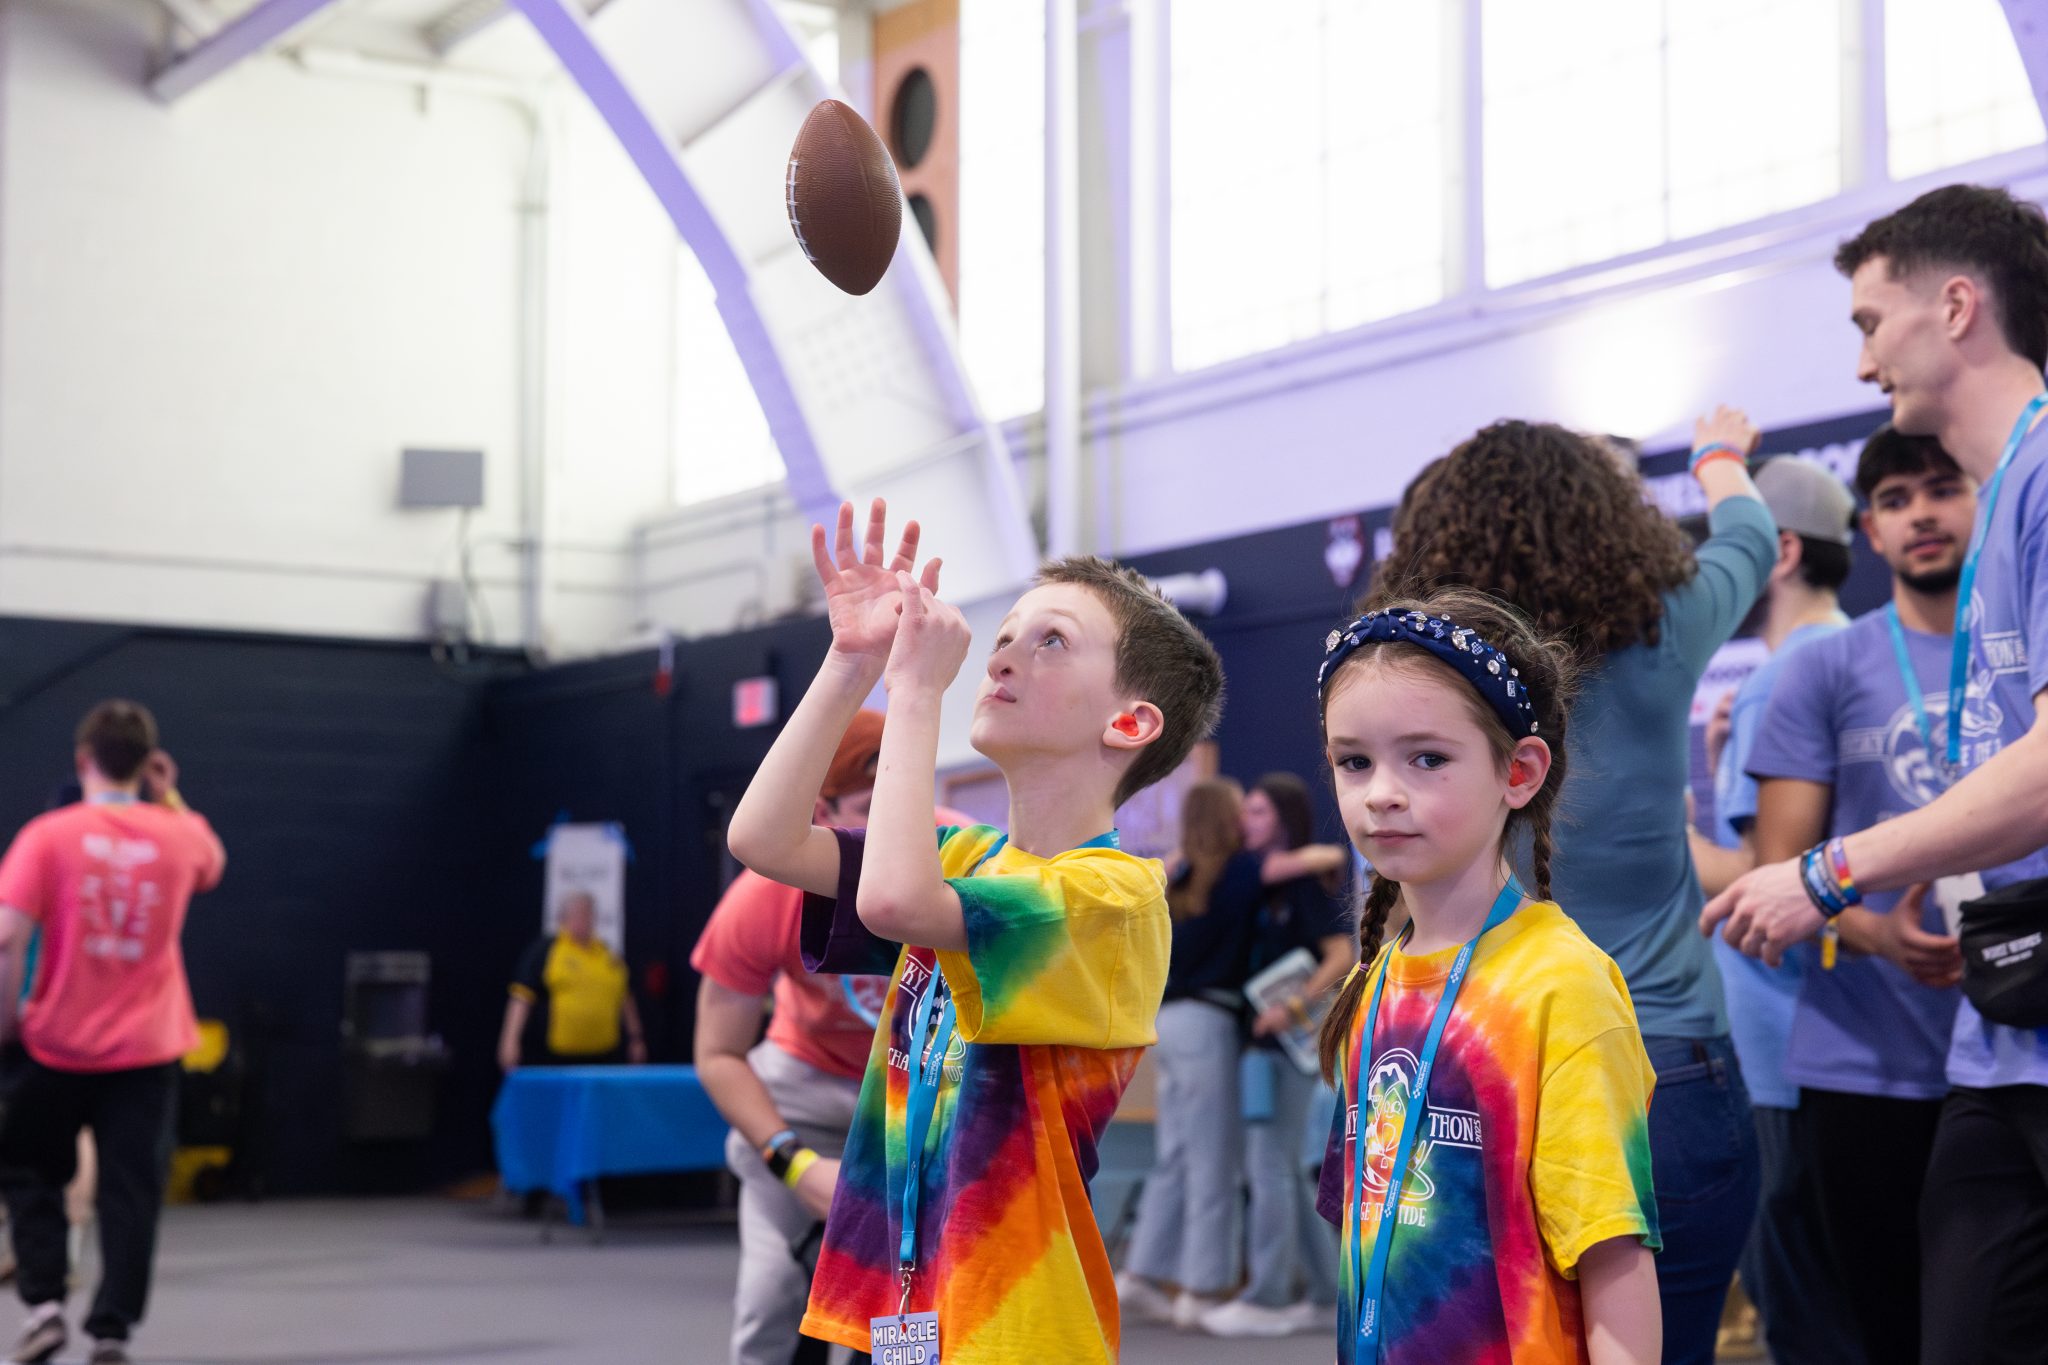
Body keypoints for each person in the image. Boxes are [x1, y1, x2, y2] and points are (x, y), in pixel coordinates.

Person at [726, 499, 1225, 1364]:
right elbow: (762, 839)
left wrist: (915, 690)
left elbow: (894, 903)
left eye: (1053, 639)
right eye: (1008, 630)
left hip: (1020, 1329)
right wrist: (853, 664)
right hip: (920, 1313)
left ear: (1131, 722)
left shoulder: (1113, 895)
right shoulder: (964, 854)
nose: (1004, 649)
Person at [1705, 183, 2048, 1364]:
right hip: (1993, 1034)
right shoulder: (2008, 493)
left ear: (1953, 307)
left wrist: (1830, 873)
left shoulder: (2044, 478)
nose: (1859, 362)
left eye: (1867, 322)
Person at [1375, 406, 1774, 1363]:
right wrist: (1720, 452)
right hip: (1664, 1062)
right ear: (1613, 518)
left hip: (1475, 1060)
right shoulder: (1668, 623)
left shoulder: (1424, 666)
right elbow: (1751, 535)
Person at [1313, 588, 1661, 1364]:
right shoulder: (1365, 991)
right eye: (1353, 761)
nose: (1382, 793)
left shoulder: (1561, 984)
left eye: (1427, 758)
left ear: (1519, 771)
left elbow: (1613, 1254)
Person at [1739, 426, 1972, 1365]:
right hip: (1862, 1056)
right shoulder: (1821, 667)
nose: (1920, 512)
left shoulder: (2023, 647)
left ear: (1984, 496)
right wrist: (1874, 931)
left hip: (2012, 1042)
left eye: (1940, 488)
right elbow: (1779, 864)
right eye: (1895, 497)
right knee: (1883, 1326)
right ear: (1869, 530)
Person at [693, 709, 961, 1365]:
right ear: (824, 809)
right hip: (806, 1092)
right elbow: (719, 1053)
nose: (898, 827)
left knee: (915, 1318)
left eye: (910, 800)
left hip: (919, 1092)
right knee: (773, 1302)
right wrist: (791, 1161)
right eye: (872, 808)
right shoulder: (767, 895)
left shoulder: (966, 853)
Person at [1687, 455, 1860, 1364]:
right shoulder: (1868, 648)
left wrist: (1657, 835)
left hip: (1779, 1030)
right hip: (1858, 1033)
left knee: (1805, 1311)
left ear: (1781, 550)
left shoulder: (1777, 675)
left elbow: (1767, 871)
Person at [0, 701, 227, 1365]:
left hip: (58, 1043)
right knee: (131, 1190)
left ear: (82, 759)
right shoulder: (181, 836)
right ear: (146, 764)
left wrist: (7, 1017)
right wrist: (169, 791)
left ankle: (43, 1302)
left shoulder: (49, 836)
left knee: (24, 1163)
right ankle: (111, 1330)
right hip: (148, 1049)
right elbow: (213, 861)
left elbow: (8, 934)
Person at [1117, 778, 1346, 1331]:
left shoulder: (1180, 877)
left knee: (1184, 1155)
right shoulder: (1240, 873)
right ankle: (1204, 1285)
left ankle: (1147, 1274)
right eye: (1243, 811)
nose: (1249, 819)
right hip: (1213, 1024)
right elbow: (1328, 855)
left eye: (1260, 809)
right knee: (1218, 1160)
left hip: (1170, 1024)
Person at [1197, 772, 1355, 1339]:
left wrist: (1288, 1010)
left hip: (1288, 1048)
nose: (1247, 821)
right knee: (1283, 1171)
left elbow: (1341, 954)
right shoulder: (1259, 885)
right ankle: (1321, 1292)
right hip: (1260, 1047)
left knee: (1271, 1168)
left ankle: (1268, 1296)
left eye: (1260, 812)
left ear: (1284, 818)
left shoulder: (1307, 885)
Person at [497, 891, 645, 1071]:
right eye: (576, 913)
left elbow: (626, 996)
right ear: (563, 918)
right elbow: (522, 997)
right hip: (556, 1059)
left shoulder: (608, 954)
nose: (583, 919)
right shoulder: (546, 950)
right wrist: (510, 1040)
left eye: (587, 913)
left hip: (605, 1056)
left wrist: (635, 1038)